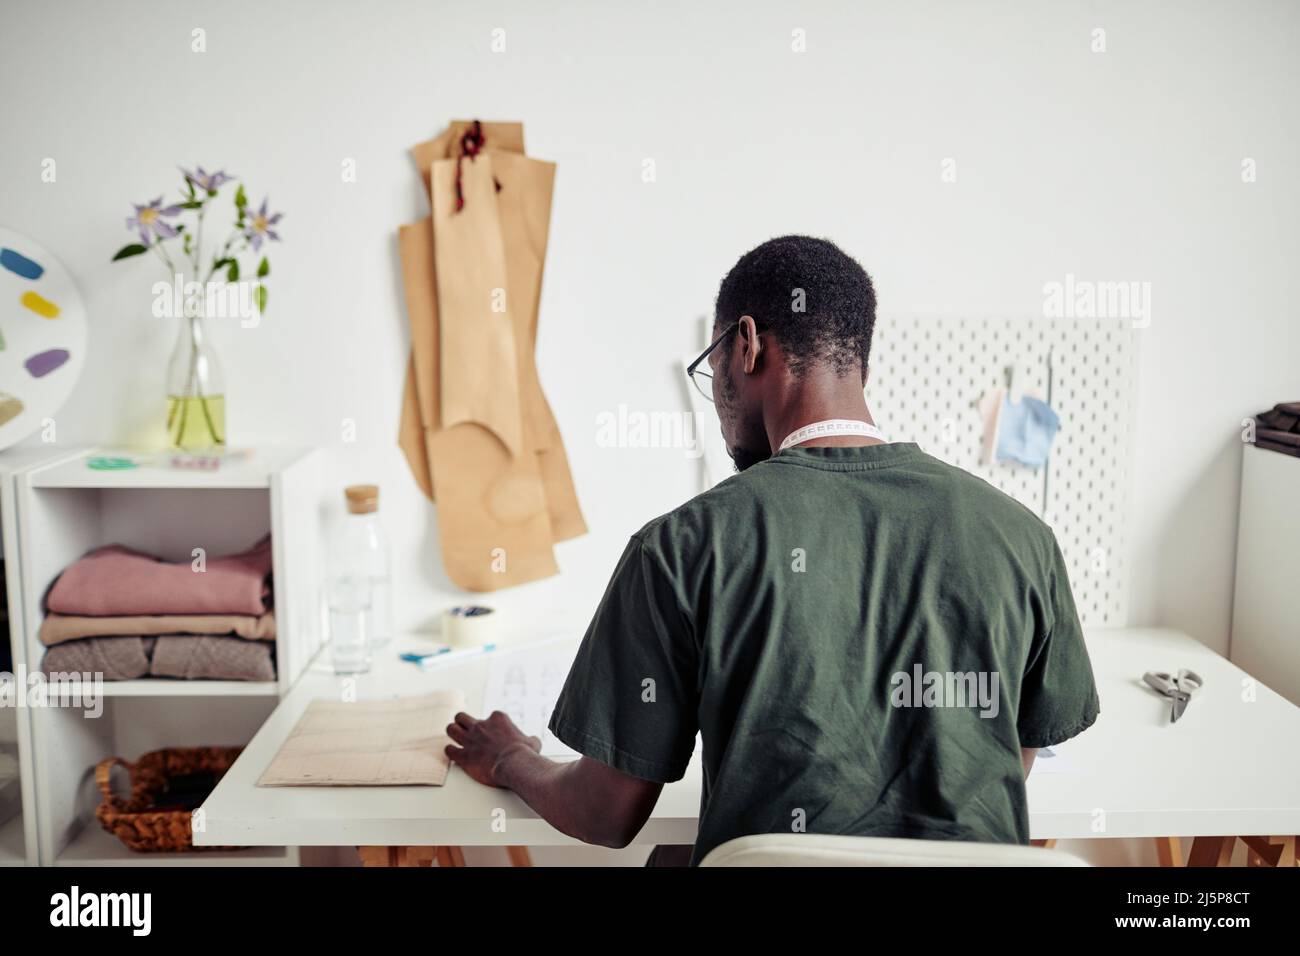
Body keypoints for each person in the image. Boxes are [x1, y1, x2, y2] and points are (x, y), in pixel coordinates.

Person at [445, 235, 1100, 866]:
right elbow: (1011, 759)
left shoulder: (681, 547)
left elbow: (605, 814)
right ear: (858, 362)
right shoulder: (1021, 539)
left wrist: (512, 758)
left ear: (747, 345)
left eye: (713, 369)